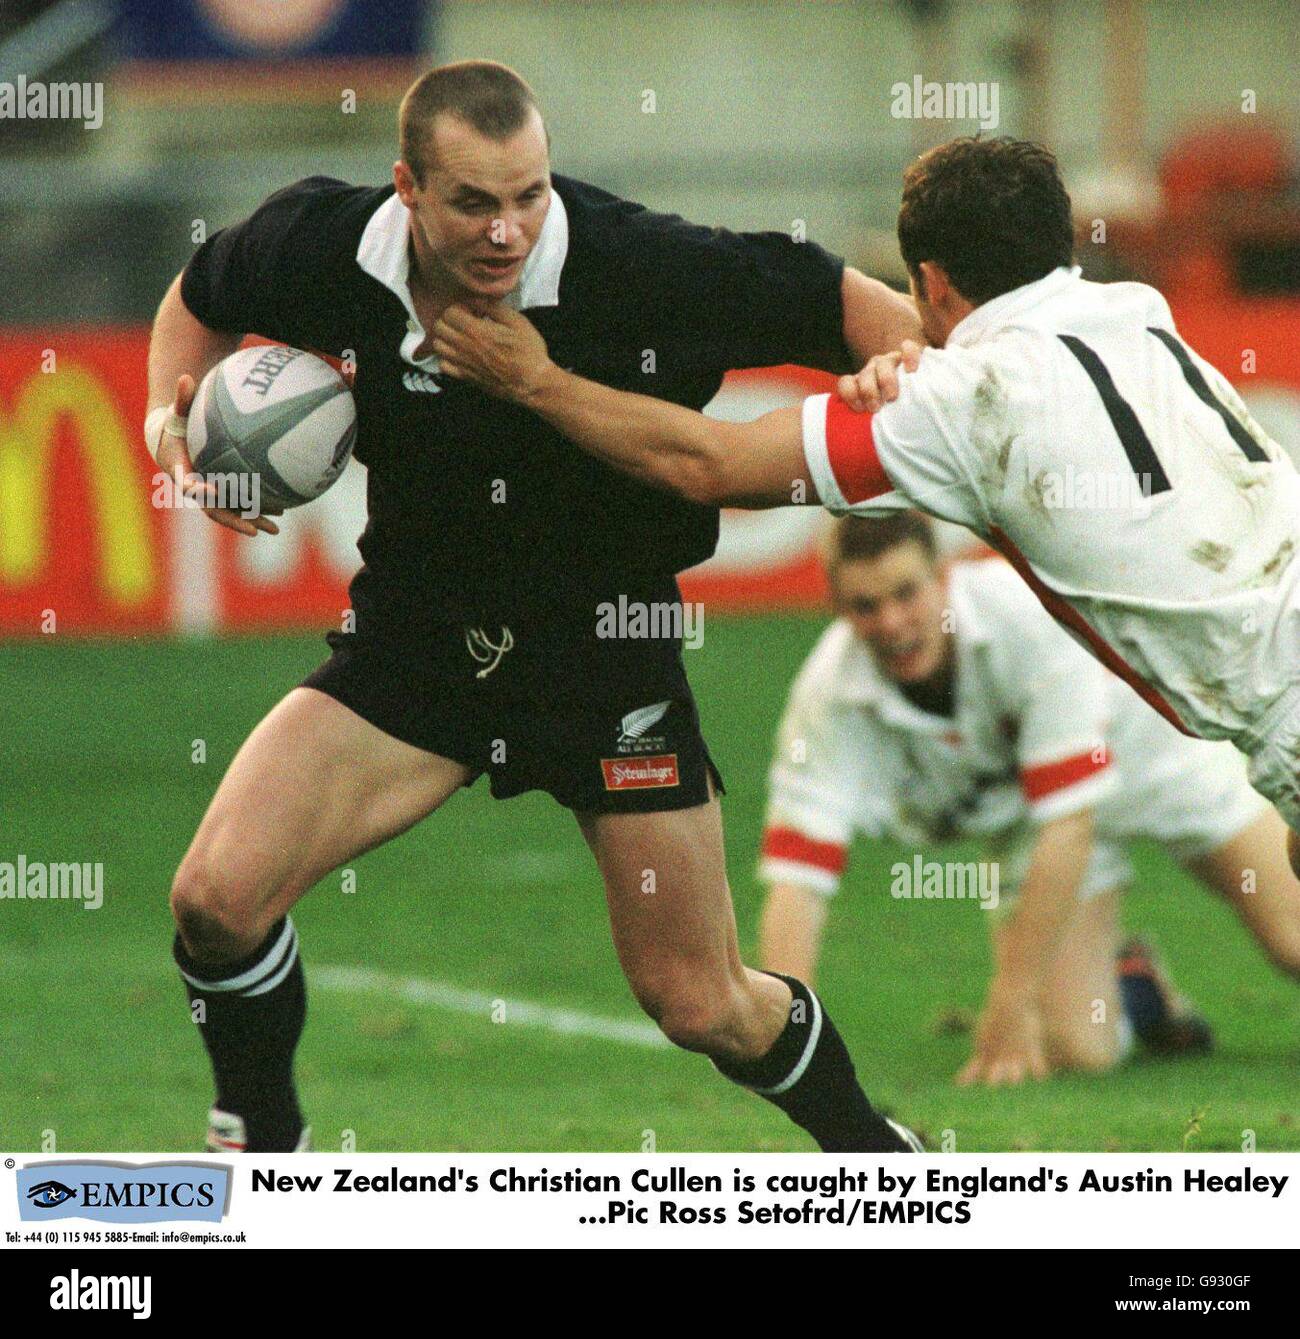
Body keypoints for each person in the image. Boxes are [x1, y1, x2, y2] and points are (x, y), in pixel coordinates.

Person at [143, 60, 926, 1153]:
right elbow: (198, 298)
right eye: (473, 201)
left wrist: (898, 368)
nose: (507, 230)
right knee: (216, 899)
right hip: (417, 640)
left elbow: (852, 306)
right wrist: (161, 428)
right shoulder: (323, 244)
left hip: (606, 651)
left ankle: (885, 1164)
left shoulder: (634, 264)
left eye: (529, 195)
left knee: (701, 1002)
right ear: (406, 187)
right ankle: (263, 1148)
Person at [428, 134, 1300, 893]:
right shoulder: (1135, 311)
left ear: (928, 279)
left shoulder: (956, 403)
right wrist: (914, 366)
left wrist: (532, 380)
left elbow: (708, 463)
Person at [758, 513, 1300, 1086]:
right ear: (837, 609)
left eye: (906, 593)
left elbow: (1073, 822)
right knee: (1077, 1048)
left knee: (1294, 944)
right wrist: (785, 1045)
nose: (892, 622)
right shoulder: (827, 697)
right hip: (1034, 821)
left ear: (943, 578)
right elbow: (798, 881)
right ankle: (1135, 983)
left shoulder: (1022, 612)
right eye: (865, 605)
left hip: (1154, 759)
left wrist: (1010, 998)